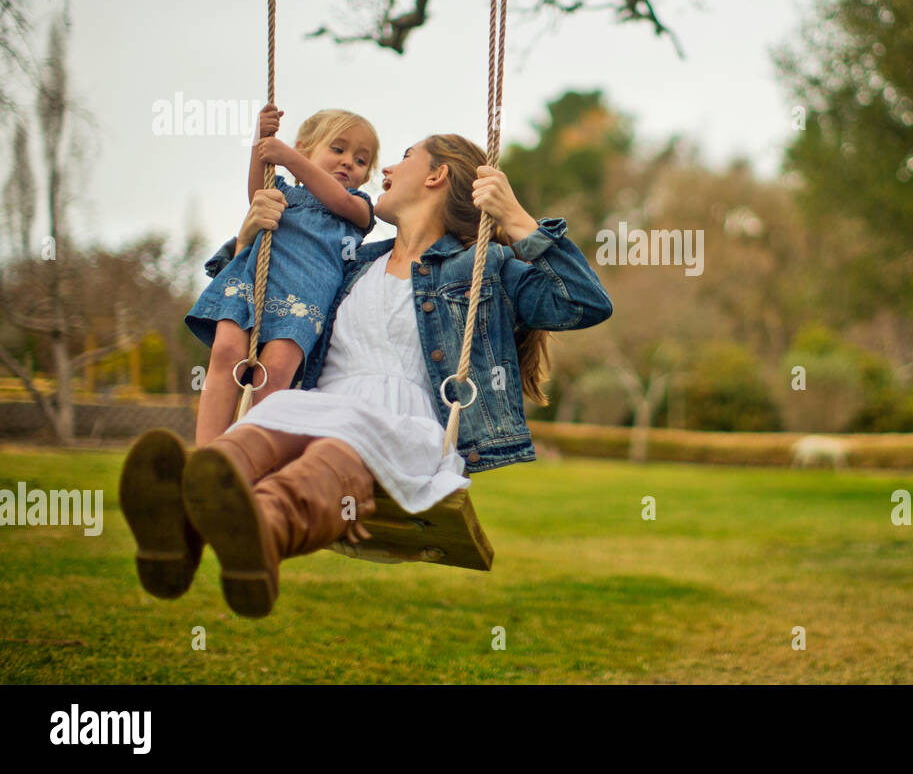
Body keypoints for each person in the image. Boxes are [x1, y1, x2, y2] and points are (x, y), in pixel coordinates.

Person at [119, 133, 613, 618]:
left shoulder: (482, 266)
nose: (386, 170)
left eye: (404, 157)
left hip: (406, 428)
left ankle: (263, 531)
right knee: (268, 424)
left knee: (340, 443)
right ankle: (178, 524)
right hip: (319, 406)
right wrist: (247, 242)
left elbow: (582, 302)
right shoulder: (352, 262)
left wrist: (515, 218)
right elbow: (274, 301)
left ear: (437, 175)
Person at [185, 104, 379, 445]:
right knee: (226, 350)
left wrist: (288, 157)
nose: (349, 161)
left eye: (361, 160)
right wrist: (261, 136)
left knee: (273, 373)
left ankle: (244, 455)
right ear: (305, 147)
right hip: (253, 285)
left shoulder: (357, 208)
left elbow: (338, 200)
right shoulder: (280, 192)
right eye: (338, 149)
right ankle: (205, 451)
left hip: (304, 302)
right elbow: (255, 188)